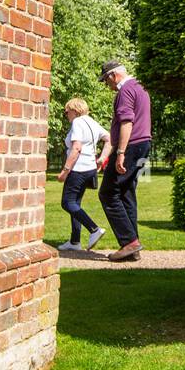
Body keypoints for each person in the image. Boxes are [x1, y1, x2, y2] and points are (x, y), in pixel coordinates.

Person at [97, 61, 152, 262]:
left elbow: (126, 122)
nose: (107, 86)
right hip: (143, 145)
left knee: (108, 193)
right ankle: (132, 247)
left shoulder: (125, 91)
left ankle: (129, 242)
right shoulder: (141, 87)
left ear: (113, 76)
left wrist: (120, 153)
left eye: (106, 81)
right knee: (126, 192)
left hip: (130, 146)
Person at [58, 98, 110, 253]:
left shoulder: (77, 122)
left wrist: (65, 170)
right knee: (75, 204)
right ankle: (75, 241)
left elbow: (76, 148)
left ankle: (94, 229)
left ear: (74, 110)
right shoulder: (92, 122)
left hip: (78, 169)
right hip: (90, 170)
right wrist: (102, 159)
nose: (66, 114)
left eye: (67, 111)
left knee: (67, 203)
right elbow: (109, 139)